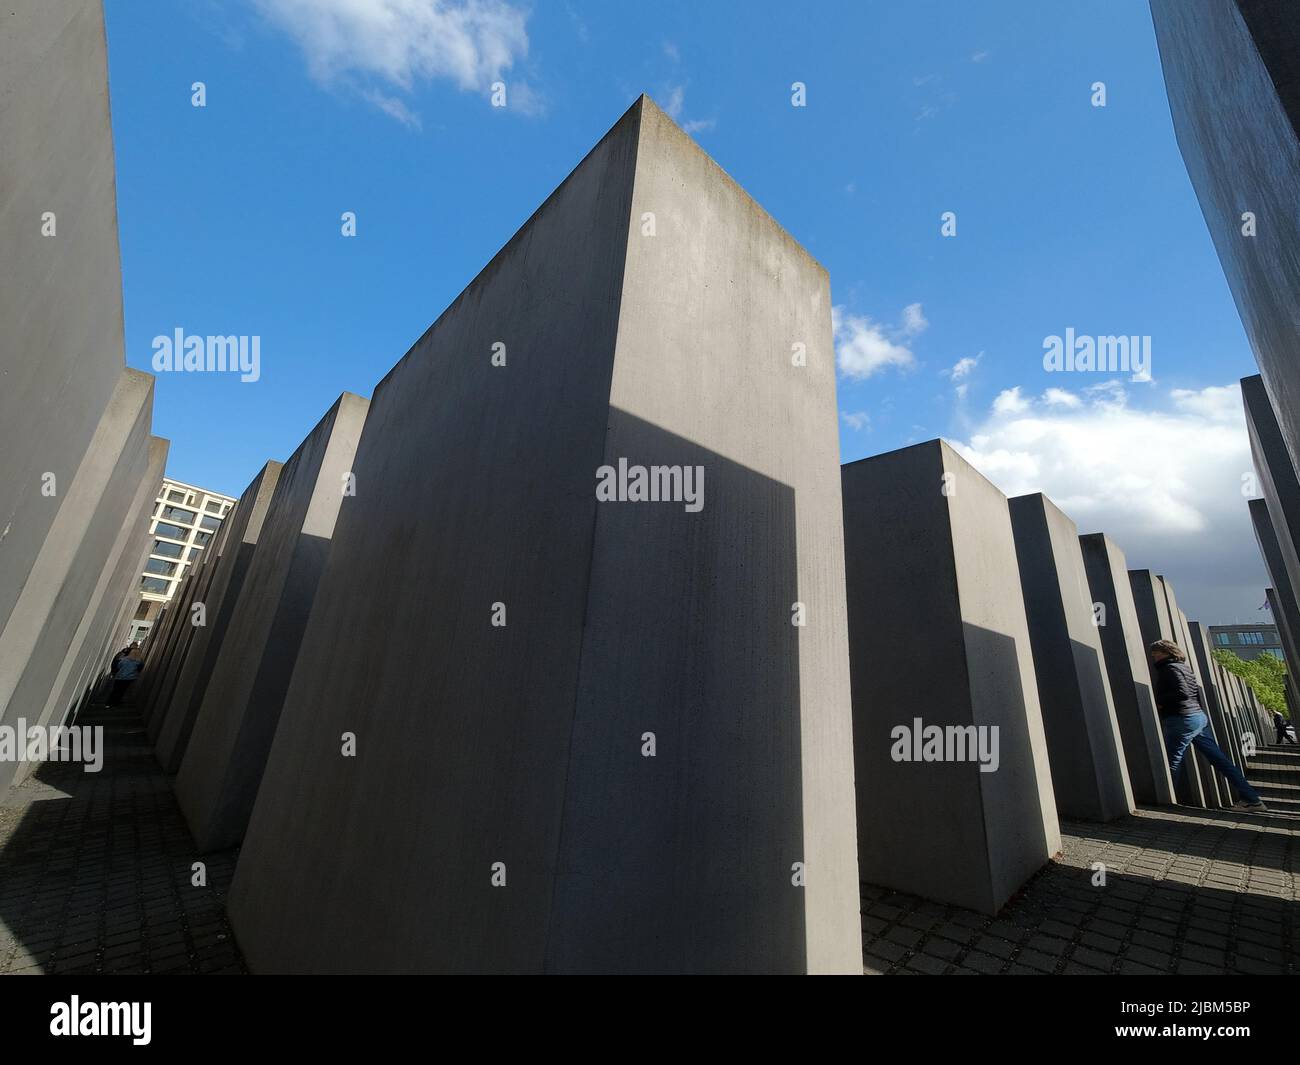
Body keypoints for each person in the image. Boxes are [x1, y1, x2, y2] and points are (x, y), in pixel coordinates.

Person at [1150, 640, 1266, 811]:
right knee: (1220, 761)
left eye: (1156, 653)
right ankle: (1252, 800)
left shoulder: (1169, 668)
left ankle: (1164, 802)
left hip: (1182, 719)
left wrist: (1160, 702)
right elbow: (1193, 693)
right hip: (1197, 717)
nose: (1154, 657)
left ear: (1166, 652)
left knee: (1172, 761)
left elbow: (1181, 692)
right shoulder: (1184, 667)